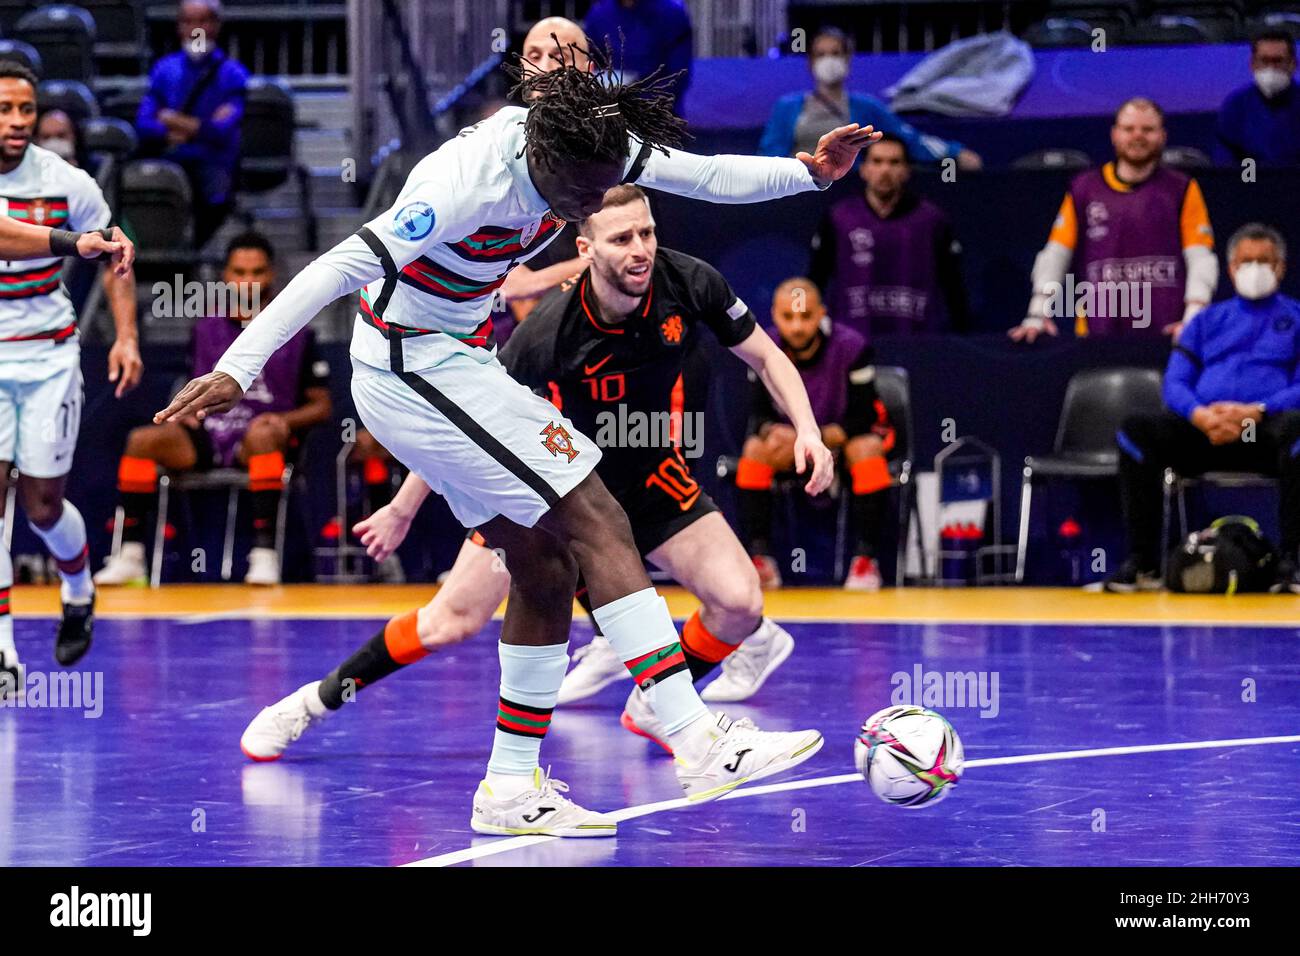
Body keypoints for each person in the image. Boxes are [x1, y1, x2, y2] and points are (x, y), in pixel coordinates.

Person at [154, 41, 871, 837]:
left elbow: (703, 176)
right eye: (577, 196)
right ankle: (695, 738)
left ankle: (509, 789)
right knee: (592, 509)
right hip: (405, 366)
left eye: (602, 193)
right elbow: (336, 267)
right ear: (538, 152)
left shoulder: (590, 146)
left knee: (544, 561)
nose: (584, 211)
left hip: (454, 359)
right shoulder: (460, 187)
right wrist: (239, 365)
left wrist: (808, 173)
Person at [240, 184, 833, 763]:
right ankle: (309, 704)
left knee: (740, 601)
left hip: (651, 480)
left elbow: (766, 355)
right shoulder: (546, 334)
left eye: (647, 233)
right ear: (585, 249)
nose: (640, 250)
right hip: (547, 493)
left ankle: (656, 703)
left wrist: (806, 427)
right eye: (621, 237)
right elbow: (469, 419)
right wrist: (403, 505)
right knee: (449, 620)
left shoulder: (691, 281)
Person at [0, 63, 140, 697]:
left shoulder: (64, 181)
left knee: (41, 505)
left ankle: (79, 588)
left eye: (26, 109)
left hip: (50, 356)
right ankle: (3, 654)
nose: (16, 121)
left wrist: (129, 337)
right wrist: (70, 242)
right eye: (4, 109)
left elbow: (115, 251)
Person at [94, 233, 330, 587]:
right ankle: (130, 556)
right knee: (143, 441)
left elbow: (323, 406)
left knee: (264, 434)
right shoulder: (205, 328)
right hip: (209, 433)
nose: (248, 280)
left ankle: (264, 555)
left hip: (262, 439)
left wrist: (282, 420)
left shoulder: (298, 331)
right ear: (225, 276)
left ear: (272, 275)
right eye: (239, 271)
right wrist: (188, 410)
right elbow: (195, 385)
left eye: (257, 271)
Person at [1108, 223, 1300, 593]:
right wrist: (1202, 415)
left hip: (1265, 433)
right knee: (1135, 431)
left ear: (1281, 267)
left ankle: (1292, 561)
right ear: (1231, 269)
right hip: (1206, 432)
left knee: (1299, 430)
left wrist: (1256, 410)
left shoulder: (1295, 317)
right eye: (1247, 261)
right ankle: (1143, 562)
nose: (1255, 268)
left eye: (1265, 261)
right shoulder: (1205, 322)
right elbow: (1175, 384)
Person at [1011, 97, 1217, 343]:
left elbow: (1200, 257)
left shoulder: (1182, 188)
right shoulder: (1083, 189)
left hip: (1166, 337)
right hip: (1098, 335)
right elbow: (1056, 253)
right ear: (1114, 134)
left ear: (1162, 135)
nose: (1138, 136)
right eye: (1129, 129)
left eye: (1148, 129)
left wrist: (1193, 317)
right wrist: (1038, 312)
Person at [736, 278, 893, 590]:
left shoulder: (853, 347)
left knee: (867, 449)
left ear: (822, 313)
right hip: (791, 446)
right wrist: (780, 433)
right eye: (788, 317)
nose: (797, 327)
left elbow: (863, 417)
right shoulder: (762, 347)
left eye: (806, 316)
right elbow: (758, 417)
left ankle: (866, 560)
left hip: (841, 439)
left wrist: (818, 437)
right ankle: (760, 558)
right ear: (774, 315)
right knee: (755, 450)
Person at [809, 133, 968, 340]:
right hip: (851, 342)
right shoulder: (839, 217)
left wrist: (962, 337)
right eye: (877, 161)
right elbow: (815, 280)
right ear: (863, 170)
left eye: (894, 162)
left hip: (918, 341)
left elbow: (953, 286)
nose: (885, 170)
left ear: (907, 171)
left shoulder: (932, 220)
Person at [760, 27, 979, 170]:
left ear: (847, 59)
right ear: (810, 62)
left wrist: (954, 153)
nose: (829, 60)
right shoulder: (787, 107)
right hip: (799, 192)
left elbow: (910, 138)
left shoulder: (866, 106)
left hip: (850, 190)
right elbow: (770, 158)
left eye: (836, 53)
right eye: (821, 54)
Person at [136, 0, 248, 248]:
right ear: (179, 27)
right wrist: (182, 130)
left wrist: (171, 119)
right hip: (170, 159)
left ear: (217, 25)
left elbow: (221, 131)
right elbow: (144, 124)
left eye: (203, 20)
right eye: (189, 21)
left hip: (214, 165)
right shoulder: (164, 70)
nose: (196, 29)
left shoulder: (233, 74)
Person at [584, 0, 692, 115]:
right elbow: (590, 67)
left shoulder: (672, 13)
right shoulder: (598, 14)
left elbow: (677, 76)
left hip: (657, 114)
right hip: (608, 112)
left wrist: (631, 107)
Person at [1216, 30, 1300, 168]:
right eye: (1264, 61)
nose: (1271, 68)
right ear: (1252, 64)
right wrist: (1250, 183)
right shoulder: (1235, 105)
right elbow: (1226, 160)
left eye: (1278, 61)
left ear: (1293, 64)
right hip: (1249, 183)